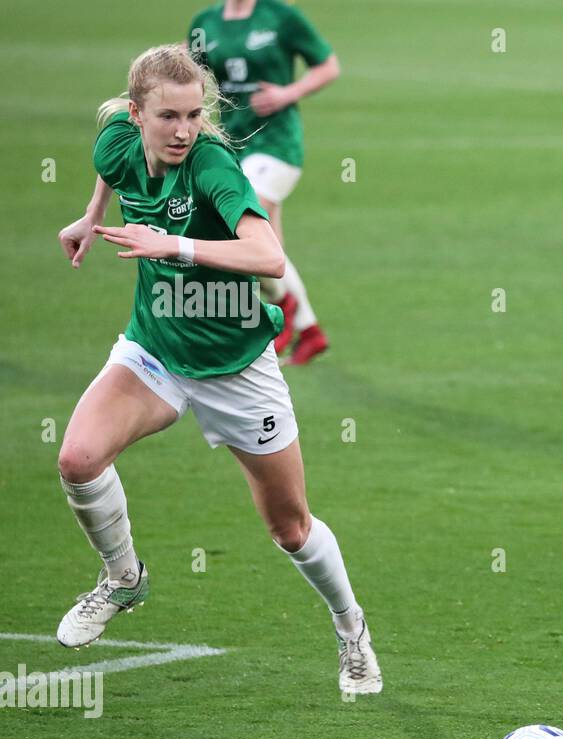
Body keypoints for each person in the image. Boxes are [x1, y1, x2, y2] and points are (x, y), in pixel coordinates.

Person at [55, 44, 380, 695]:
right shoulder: (115, 140)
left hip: (236, 366)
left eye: (193, 115)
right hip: (155, 348)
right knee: (78, 459)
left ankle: (352, 631)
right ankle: (123, 580)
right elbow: (112, 170)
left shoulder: (211, 163)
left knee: (289, 528)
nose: (183, 130)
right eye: (168, 116)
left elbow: (269, 255)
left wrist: (168, 243)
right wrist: (92, 217)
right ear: (137, 112)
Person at [189, 0, 341, 365]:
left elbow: (329, 66)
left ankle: (282, 306)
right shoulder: (205, 22)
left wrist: (287, 94)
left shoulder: (280, 16)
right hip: (233, 146)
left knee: (238, 227)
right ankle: (310, 330)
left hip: (277, 146)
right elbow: (189, 78)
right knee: (268, 243)